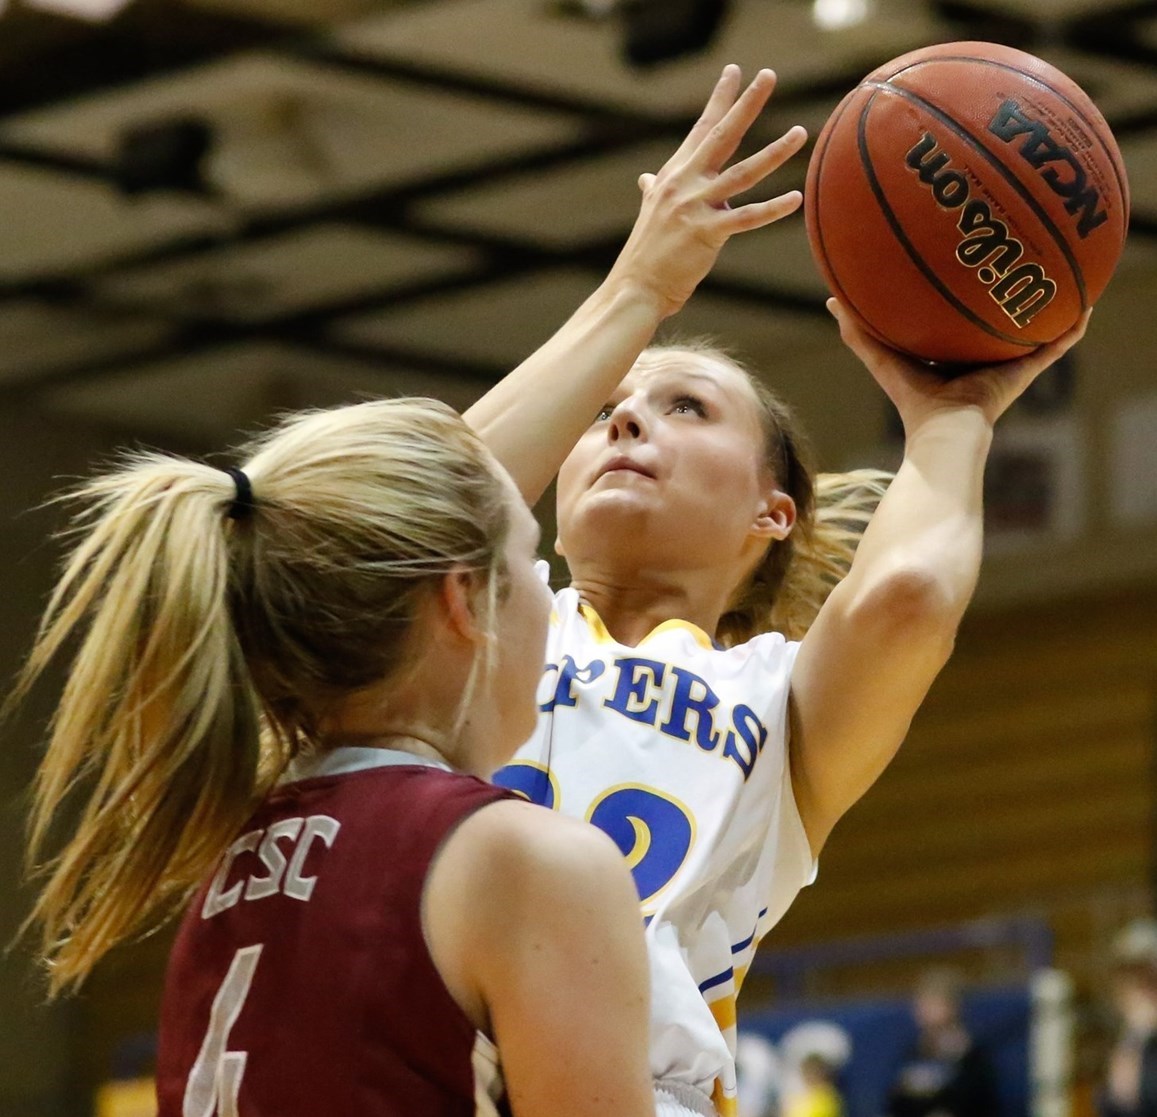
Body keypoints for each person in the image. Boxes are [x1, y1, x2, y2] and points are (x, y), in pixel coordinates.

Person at [462, 63, 1092, 1117]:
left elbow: (904, 599)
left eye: (684, 408)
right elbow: (398, 508)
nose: (623, 421)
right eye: (605, 407)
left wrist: (952, 418)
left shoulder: (775, 700)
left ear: (772, 512)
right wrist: (634, 294)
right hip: (414, 1066)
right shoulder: (481, 619)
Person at [15, 399, 655, 1117]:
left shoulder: (228, 849)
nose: (550, 591)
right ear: (463, 598)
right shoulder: (523, 859)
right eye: (529, 560)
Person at [886, 969, 999, 1117]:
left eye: (932, 1003)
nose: (923, 1010)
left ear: (952, 1007)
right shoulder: (914, 1052)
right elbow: (895, 1101)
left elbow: (978, 1100)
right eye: (920, 1004)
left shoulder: (972, 1054)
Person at [1101, 919, 1157, 1117]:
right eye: (1130, 980)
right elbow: (1116, 1102)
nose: (1141, 993)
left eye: (1149, 981)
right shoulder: (1131, 1039)